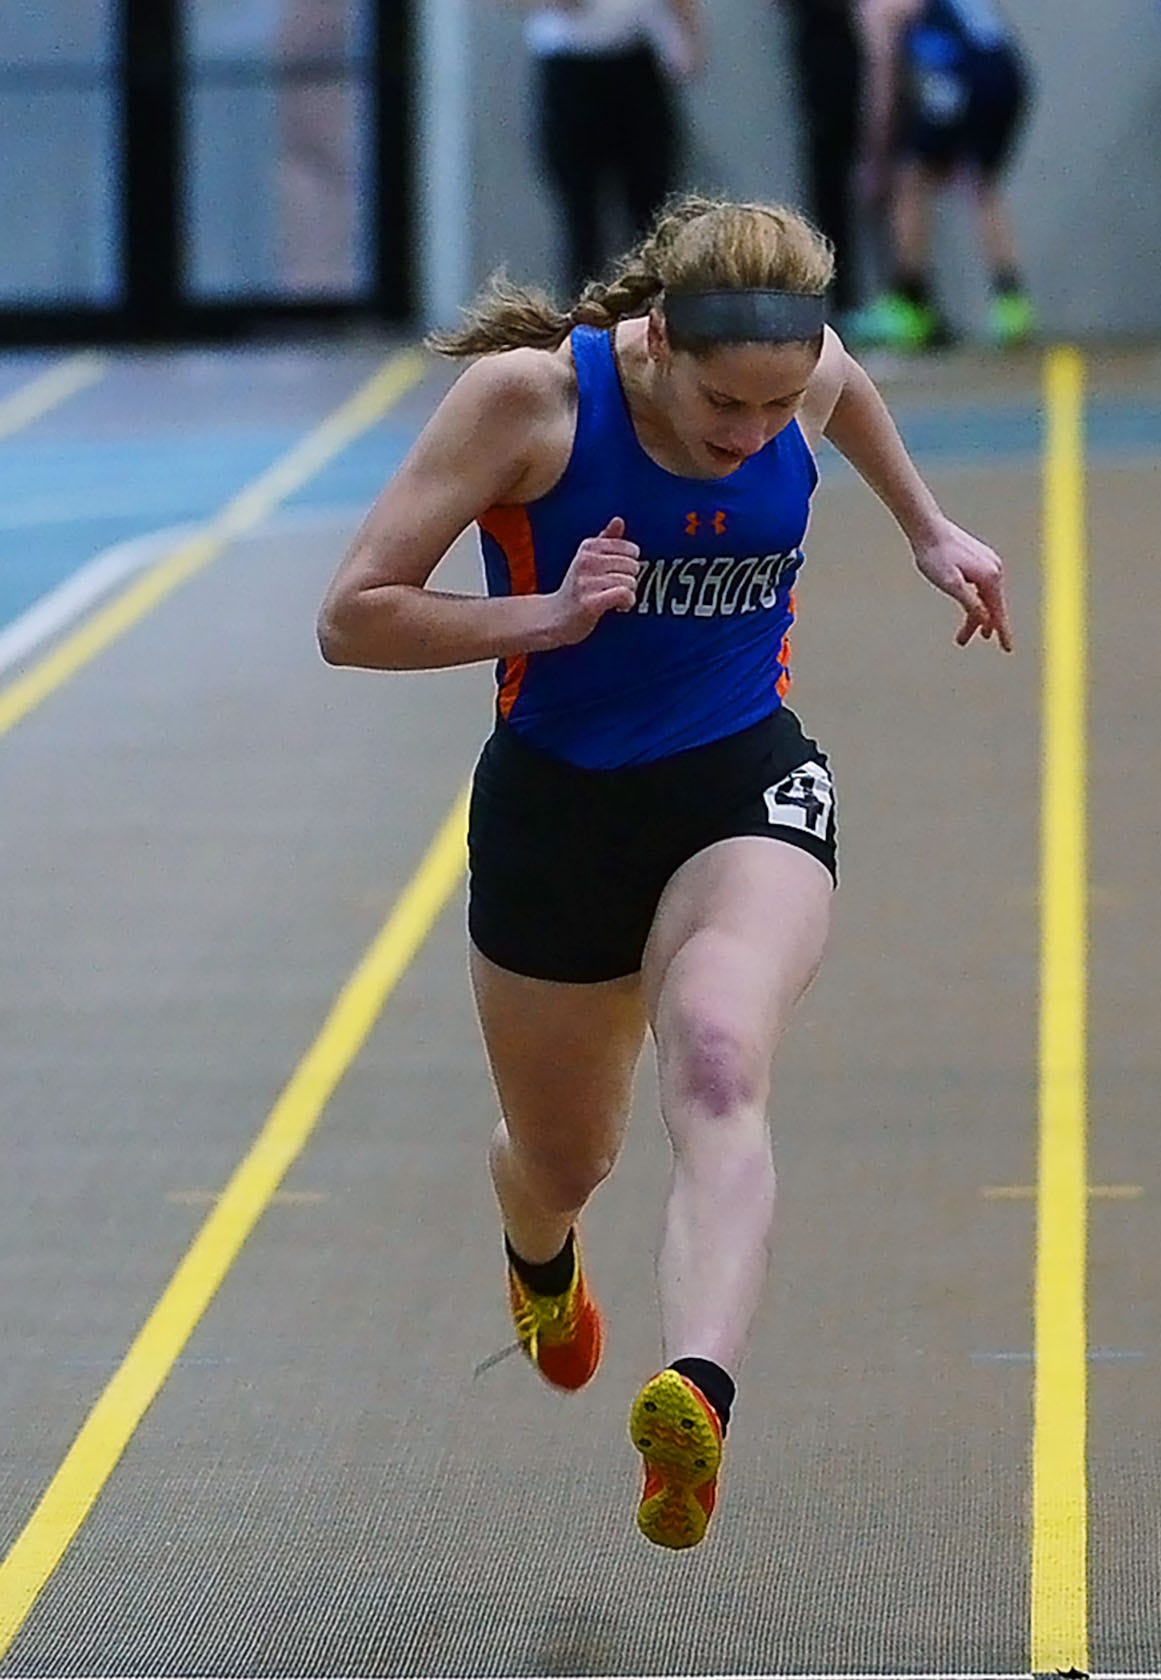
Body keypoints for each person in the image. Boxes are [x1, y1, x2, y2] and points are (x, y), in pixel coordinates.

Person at [316, 196, 1012, 1552]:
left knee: (714, 1057)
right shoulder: (531, 405)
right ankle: (540, 1257)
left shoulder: (798, 369)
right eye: (723, 407)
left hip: (739, 783)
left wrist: (928, 527)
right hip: (558, 812)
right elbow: (352, 618)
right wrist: (551, 614)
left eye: (776, 404)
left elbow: (847, 385)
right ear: (657, 343)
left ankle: (693, 1390)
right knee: (565, 1156)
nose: (753, 432)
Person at [843, 0, 1036, 351]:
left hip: (967, 76)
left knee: (909, 179)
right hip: (1008, 73)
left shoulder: (877, 7)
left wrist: (874, 157)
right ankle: (1012, 304)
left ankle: (911, 305)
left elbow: (883, 85)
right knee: (980, 184)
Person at [523, 0, 703, 294]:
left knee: (652, 214)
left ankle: (653, 315)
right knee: (580, 220)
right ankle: (581, 323)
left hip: (637, 59)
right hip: (569, 64)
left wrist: (688, 33)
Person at [775, 0, 868, 313]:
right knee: (830, 187)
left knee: (837, 185)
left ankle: (846, 297)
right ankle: (841, 295)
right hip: (824, 58)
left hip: (838, 57)